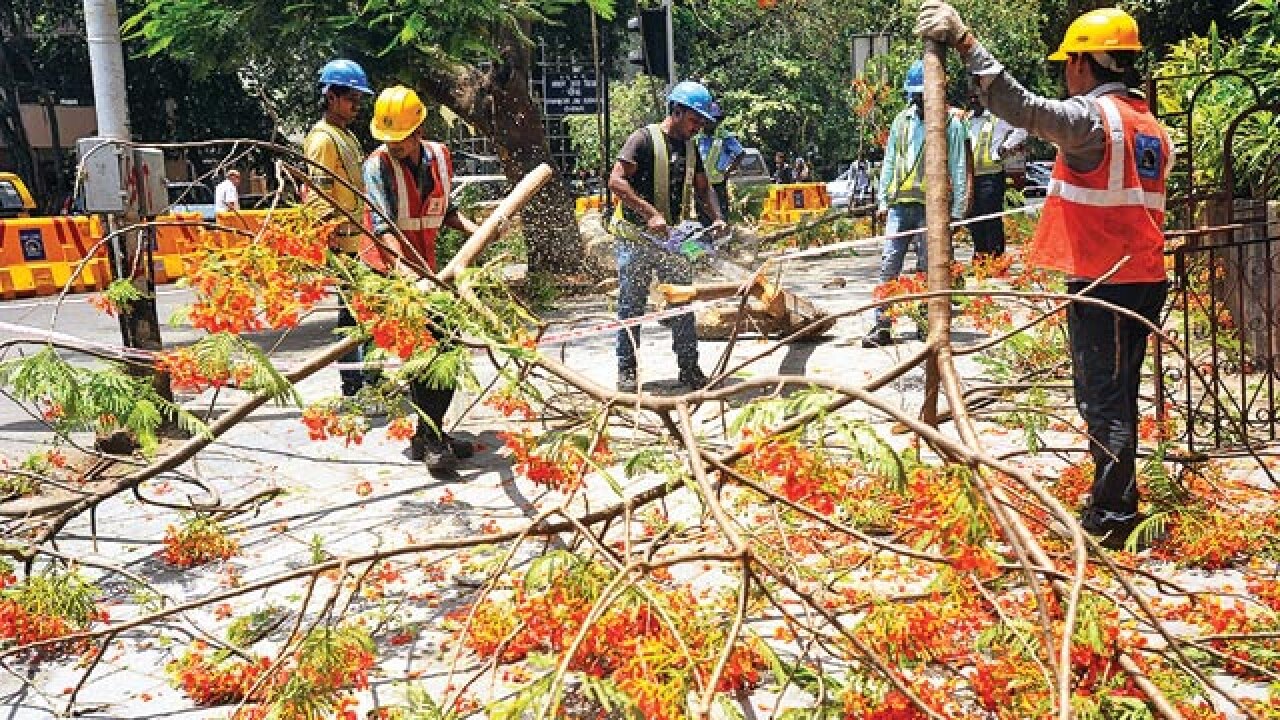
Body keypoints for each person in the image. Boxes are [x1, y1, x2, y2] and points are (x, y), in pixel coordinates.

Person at [917, 3, 1173, 549]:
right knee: (1120, 393)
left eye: (1067, 63)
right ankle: (1117, 500)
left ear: (1083, 63)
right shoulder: (1149, 126)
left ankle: (1112, 518)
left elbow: (1021, 107)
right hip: (1143, 276)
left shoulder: (1092, 121)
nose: (1065, 73)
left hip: (1105, 281)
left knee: (1102, 399)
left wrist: (966, 42)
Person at [360, 85, 480, 471]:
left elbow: (446, 211)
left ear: (418, 132)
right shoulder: (376, 167)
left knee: (447, 351)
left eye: (400, 139)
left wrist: (479, 231)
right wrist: (407, 277)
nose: (393, 146)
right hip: (387, 273)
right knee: (425, 355)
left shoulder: (441, 158)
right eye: (388, 139)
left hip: (425, 269)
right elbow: (383, 228)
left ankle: (430, 433)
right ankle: (429, 440)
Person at [608, 80, 725, 393]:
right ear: (676, 110)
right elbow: (616, 181)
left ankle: (689, 368)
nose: (698, 127)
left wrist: (717, 217)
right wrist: (650, 214)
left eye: (702, 122)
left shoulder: (690, 148)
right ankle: (627, 370)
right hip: (635, 237)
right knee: (631, 306)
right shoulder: (642, 139)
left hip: (672, 240)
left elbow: (703, 188)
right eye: (694, 120)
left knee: (682, 302)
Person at [864, 58, 969, 348]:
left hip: (931, 209)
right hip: (899, 206)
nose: (920, 101)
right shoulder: (902, 121)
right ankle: (882, 325)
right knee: (889, 265)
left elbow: (958, 168)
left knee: (928, 268)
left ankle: (926, 323)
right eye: (916, 95)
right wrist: (883, 197)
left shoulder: (951, 124)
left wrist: (957, 211)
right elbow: (890, 161)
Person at [302, 58, 375, 398]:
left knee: (365, 311)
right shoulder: (323, 139)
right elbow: (317, 194)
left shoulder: (344, 136)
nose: (356, 106)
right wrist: (327, 240)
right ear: (331, 96)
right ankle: (353, 384)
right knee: (350, 317)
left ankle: (369, 378)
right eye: (351, 99)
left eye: (359, 100)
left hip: (357, 242)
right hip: (340, 245)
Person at [964, 93, 1008, 256]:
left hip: (991, 177)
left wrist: (1005, 148)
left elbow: (1020, 129)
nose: (973, 101)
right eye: (971, 98)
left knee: (991, 218)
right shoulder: (966, 120)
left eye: (977, 97)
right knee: (974, 219)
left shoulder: (996, 118)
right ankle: (980, 255)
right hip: (970, 178)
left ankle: (995, 257)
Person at [696, 102, 744, 225]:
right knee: (703, 215)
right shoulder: (697, 136)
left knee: (720, 214)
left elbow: (740, 153)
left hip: (718, 183)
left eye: (715, 120)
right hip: (701, 184)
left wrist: (728, 170)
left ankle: (723, 240)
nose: (710, 123)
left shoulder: (724, 136)